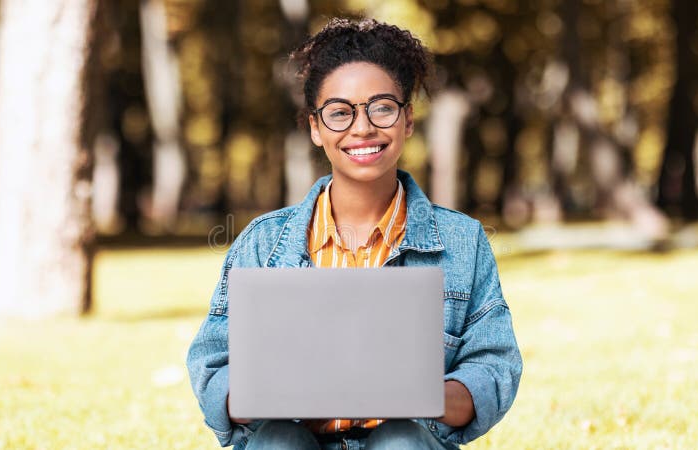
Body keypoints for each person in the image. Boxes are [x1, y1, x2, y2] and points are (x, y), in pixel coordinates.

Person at [187, 17, 522, 450]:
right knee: (278, 441)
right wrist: (255, 394)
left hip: (407, 443)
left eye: (381, 107)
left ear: (408, 120)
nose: (362, 128)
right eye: (340, 113)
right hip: (291, 440)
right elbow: (213, 366)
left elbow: (492, 368)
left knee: (400, 439)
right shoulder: (261, 242)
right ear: (315, 127)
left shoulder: (463, 242)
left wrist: (415, 394)